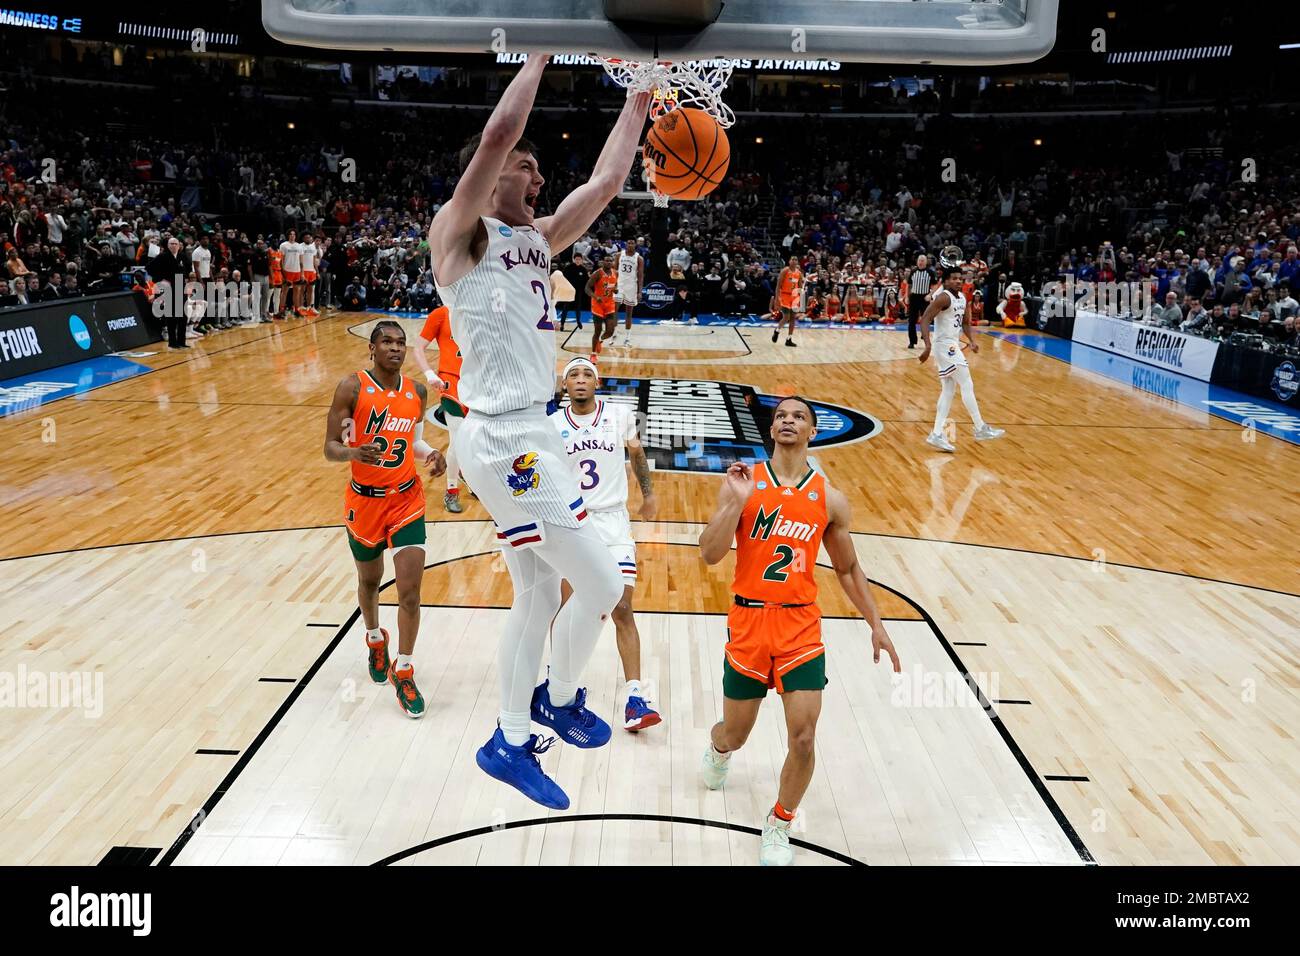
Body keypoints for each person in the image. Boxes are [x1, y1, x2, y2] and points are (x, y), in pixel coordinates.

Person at [428, 54, 650, 810]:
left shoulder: (537, 239)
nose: (538, 175)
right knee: (602, 580)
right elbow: (497, 133)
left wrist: (643, 95)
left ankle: (511, 735)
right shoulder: (459, 236)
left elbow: (608, 182)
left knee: (538, 592)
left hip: (533, 431)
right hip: (503, 441)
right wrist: (542, 50)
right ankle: (556, 696)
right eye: (528, 167)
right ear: (492, 182)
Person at [697, 396, 901, 865]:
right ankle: (718, 749)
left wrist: (876, 623)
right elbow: (708, 553)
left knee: (804, 737)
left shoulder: (829, 499)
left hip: (800, 626)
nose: (788, 421)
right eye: (781, 416)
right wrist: (735, 504)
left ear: (813, 431)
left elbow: (848, 570)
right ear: (772, 429)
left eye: (799, 417)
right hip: (748, 622)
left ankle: (779, 821)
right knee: (735, 732)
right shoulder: (742, 482)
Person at [322, 320, 446, 717]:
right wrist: (353, 453)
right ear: (371, 349)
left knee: (410, 591)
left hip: (406, 498)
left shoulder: (417, 391)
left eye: (400, 343)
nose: (395, 348)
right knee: (369, 581)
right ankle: (375, 638)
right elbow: (330, 447)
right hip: (364, 501)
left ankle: (404, 668)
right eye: (387, 342)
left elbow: (414, 441)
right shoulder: (351, 387)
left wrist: (431, 455)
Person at [553, 358, 660, 731]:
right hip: (573, 524)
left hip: (613, 520)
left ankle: (635, 696)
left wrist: (648, 495)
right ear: (564, 385)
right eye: (573, 375)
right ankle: (561, 685)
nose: (580, 380)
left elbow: (637, 454)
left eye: (586, 375)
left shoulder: (619, 415)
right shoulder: (551, 426)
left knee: (622, 607)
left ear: (596, 383)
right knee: (568, 610)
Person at [920, 266, 1005, 452]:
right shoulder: (943, 297)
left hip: (952, 344)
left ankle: (936, 434)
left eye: (960, 278)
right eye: (954, 278)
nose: (958, 281)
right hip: (945, 345)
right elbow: (924, 319)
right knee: (966, 382)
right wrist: (927, 345)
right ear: (946, 280)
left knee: (949, 390)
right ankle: (980, 427)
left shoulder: (962, 297)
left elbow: (965, 323)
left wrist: (972, 341)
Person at [411, 304, 471, 513]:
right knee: (458, 437)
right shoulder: (440, 313)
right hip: (450, 382)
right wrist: (429, 373)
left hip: (477, 384)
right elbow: (418, 348)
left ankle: (465, 473)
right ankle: (451, 492)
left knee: (475, 439)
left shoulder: (480, 310)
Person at [586, 254, 619, 362]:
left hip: (609, 303)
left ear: (613, 262)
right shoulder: (598, 273)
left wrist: (615, 290)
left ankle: (600, 340)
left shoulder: (616, 273)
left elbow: (614, 286)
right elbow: (587, 288)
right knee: (598, 330)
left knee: (610, 330)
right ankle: (593, 354)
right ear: (603, 262)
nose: (609, 262)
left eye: (610, 261)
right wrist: (595, 296)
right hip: (597, 304)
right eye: (606, 260)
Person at [615, 242, 642, 348]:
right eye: (629, 243)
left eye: (632, 243)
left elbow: (640, 276)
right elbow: (614, 271)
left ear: (635, 245)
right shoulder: (619, 255)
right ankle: (614, 334)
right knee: (614, 310)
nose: (630, 245)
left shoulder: (639, 258)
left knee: (628, 314)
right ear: (626, 244)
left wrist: (640, 291)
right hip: (619, 286)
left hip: (631, 287)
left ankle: (627, 338)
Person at [772, 255, 802, 347]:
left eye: (796, 259)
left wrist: (800, 299)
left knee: (793, 318)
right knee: (786, 317)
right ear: (789, 261)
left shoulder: (799, 273)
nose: (794, 261)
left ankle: (789, 339)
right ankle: (777, 330)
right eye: (792, 259)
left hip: (794, 297)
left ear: (797, 262)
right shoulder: (785, 271)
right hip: (785, 296)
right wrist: (777, 298)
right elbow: (778, 285)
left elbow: (800, 287)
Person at [906, 254, 933, 349]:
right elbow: (909, 285)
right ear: (917, 262)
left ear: (926, 262)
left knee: (925, 320)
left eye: (922, 260)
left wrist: (930, 295)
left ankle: (926, 340)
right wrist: (907, 297)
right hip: (914, 297)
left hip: (924, 298)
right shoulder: (913, 271)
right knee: (911, 321)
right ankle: (912, 342)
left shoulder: (930, 272)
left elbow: (934, 286)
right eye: (919, 260)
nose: (921, 262)